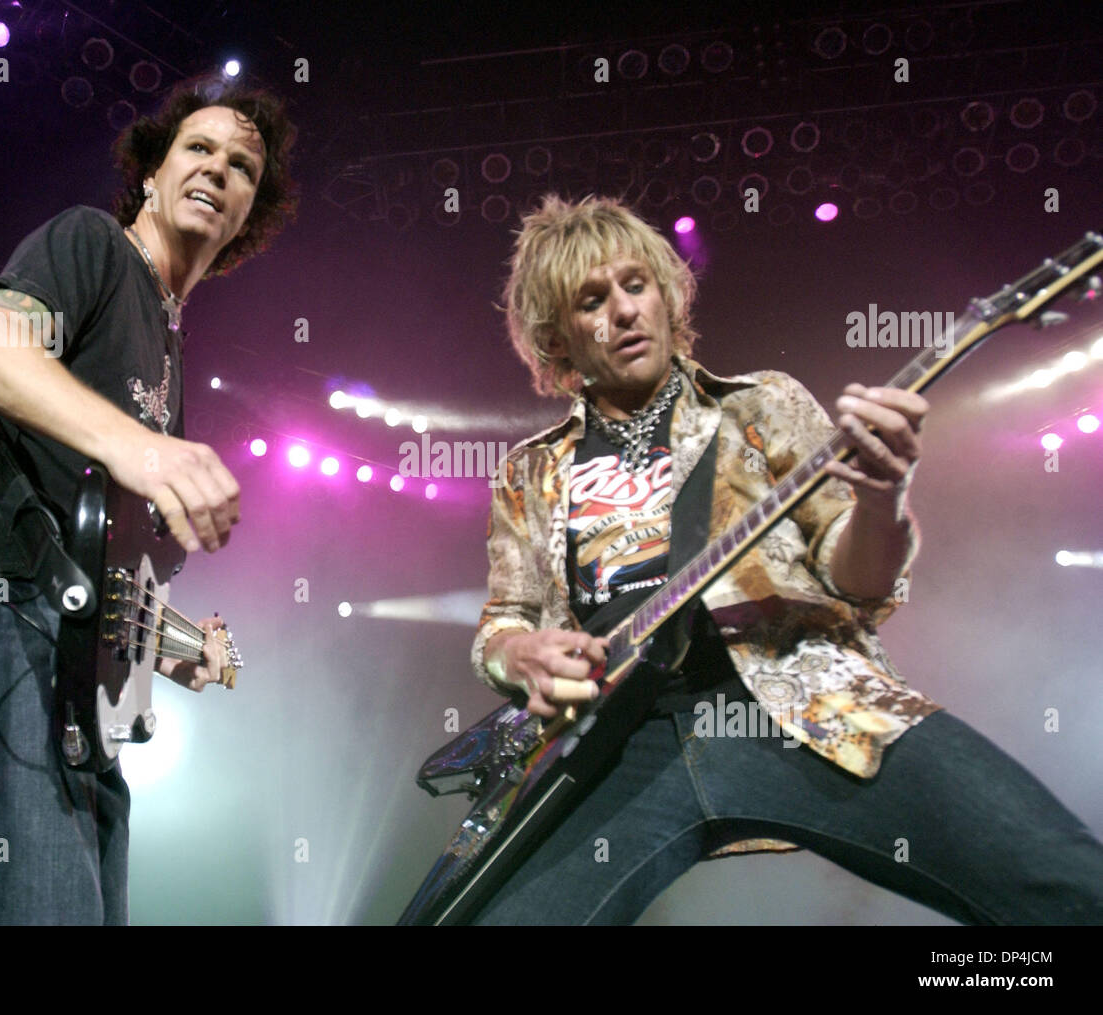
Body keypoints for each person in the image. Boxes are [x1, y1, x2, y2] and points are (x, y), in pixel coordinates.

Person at [469, 194, 1103, 925]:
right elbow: (502, 623)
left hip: (801, 699)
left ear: (668, 295)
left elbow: (858, 582)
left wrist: (880, 498)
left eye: (635, 285)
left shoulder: (760, 405)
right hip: (616, 748)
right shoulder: (528, 470)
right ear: (557, 340)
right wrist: (521, 656)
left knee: (1065, 880)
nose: (622, 311)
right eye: (591, 300)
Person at [0, 78, 296, 925]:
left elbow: (101, 537)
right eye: (198, 148)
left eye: (243, 166)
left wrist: (163, 644)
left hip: (68, 655)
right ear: (151, 172)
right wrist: (144, 447)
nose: (218, 169)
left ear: (251, 214)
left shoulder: (169, 348)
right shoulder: (92, 245)